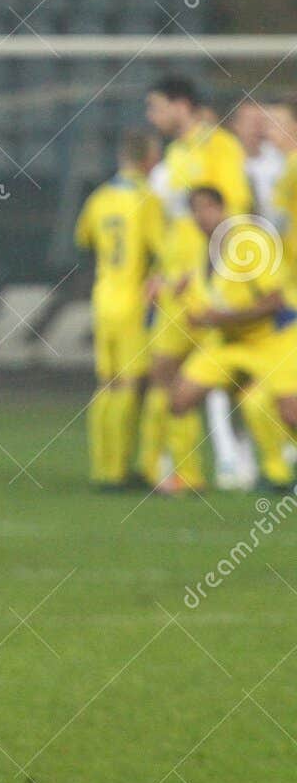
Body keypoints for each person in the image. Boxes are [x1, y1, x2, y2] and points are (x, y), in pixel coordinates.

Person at [142, 77, 254, 491]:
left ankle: (244, 462)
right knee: (166, 376)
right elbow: (174, 222)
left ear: (181, 104)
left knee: (235, 375)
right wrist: (160, 270)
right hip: (175, 283)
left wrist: (212, 268)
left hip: (208, 281)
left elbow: (234, 211)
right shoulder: (174, 153)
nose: (151, 116)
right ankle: (180, 470)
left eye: (156, 106)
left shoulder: (218, 146)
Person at [167, 187, 297, 494]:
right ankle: (187, 478)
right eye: (195, 210)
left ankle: (277, 475)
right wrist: (180, 297)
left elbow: (274, 302)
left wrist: (218, 318)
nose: (201, 216)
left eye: (207, 207)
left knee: (290, 412)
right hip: (227, 343)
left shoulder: (250, 242)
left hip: (272, 339)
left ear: (223, 208)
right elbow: (205, 301)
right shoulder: (201, 249)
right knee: (180, 399)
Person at [73, 129, 162, 489]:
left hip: (103, 296)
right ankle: (118, 470)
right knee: (128, 385)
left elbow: (84, 240)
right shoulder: (146, 198)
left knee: (105, 384)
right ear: (147, 159)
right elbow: (162, 249)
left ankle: (101, 467)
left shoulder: (99, 197)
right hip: (132, 301)